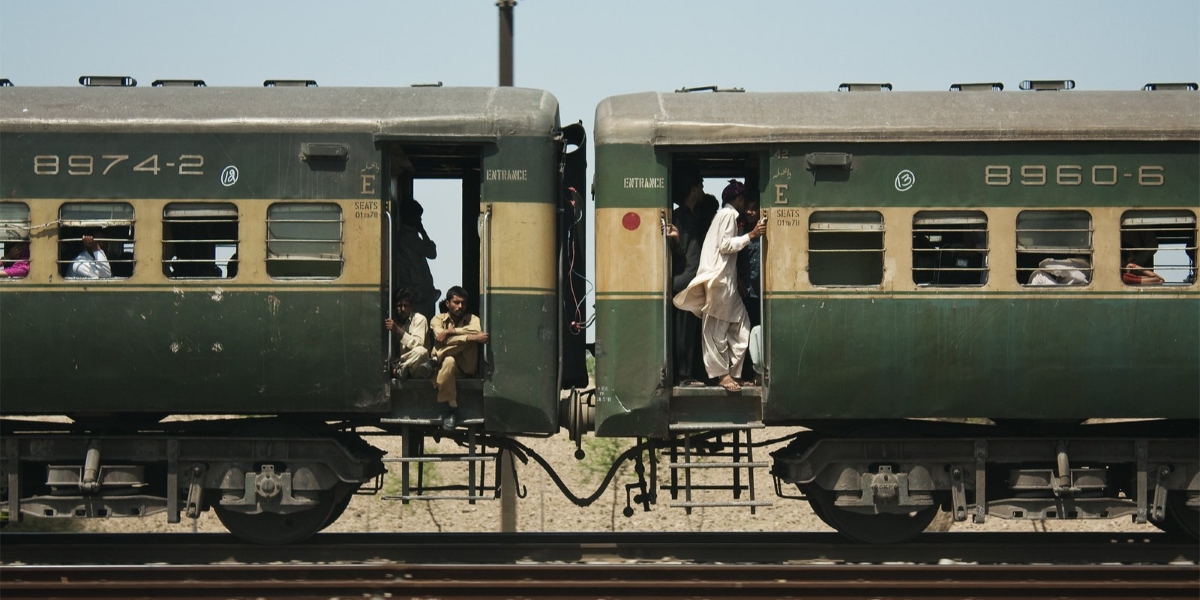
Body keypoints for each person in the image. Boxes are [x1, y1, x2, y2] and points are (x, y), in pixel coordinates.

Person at [673, 180, 766, 392]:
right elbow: (725, 246)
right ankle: (722, 375)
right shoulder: (728, 216)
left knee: (741, 326)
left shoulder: (726, 215)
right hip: (719, 281)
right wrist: (751, 235)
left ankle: (733, 372)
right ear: (739, 200)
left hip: (727, 282)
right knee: (716, 331)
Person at [665, 163, 704, 386]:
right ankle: (684, 375)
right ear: (692, 189)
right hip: (685, 282)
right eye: (700, 186)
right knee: (683, 332)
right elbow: (678, 254)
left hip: (691, 280)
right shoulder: (680, 217)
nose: (703, 191)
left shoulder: (690, 216)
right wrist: (677, 241)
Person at [430, 286, 489, 429]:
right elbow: (440, 339)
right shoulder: (437, 319)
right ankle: (453, 409)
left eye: (463, 303)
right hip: (447, 369)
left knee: (462, 342)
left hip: (467, 367)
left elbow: (476, 329)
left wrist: (450, 331)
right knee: (449, 360)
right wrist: (471, 338)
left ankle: (433, 360)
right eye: (456, 302)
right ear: (447, 304)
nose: (460, 306)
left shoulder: (472, 318)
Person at [396, 199, 440, 321]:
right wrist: (423, 232)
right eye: (418, 217)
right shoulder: (409, 237)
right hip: (418, 293)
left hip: (417, 291)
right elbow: (432, 252)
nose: (420, 221)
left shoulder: (406, 236)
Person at [385, 288, 433, 380]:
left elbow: (418, 344)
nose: (402, 309)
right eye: (399, 306)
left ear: (411, 307)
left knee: (421, 352)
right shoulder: (391, 320)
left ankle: (399, 371)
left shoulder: (419, 319)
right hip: (395, 364)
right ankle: (399, 371)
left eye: (405, 306)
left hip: (414, 365)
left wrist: (397, 330)